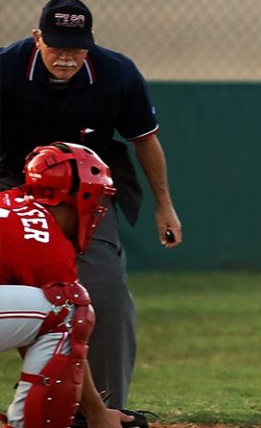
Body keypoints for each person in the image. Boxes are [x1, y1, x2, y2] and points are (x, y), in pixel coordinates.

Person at [0, 0, 182, 408]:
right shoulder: (6, 68)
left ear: (91, 42)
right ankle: (41, 387)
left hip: (86, 189)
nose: (66, 57)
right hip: (12, 180)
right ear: (36, 38)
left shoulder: (116, 73)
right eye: (57, 45)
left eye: (76, 47)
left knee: (105, 289)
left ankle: (106, 407)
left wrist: (164, 205)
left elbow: (145, 141)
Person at [0, 142, 136, 428]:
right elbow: (65, 327)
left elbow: (33, 329)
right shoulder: (47, 243)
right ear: (77, 196)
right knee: (70, 307)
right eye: (96, 197)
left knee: (56, 312)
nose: (98, 208)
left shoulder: (9, 201)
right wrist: (98, 414)